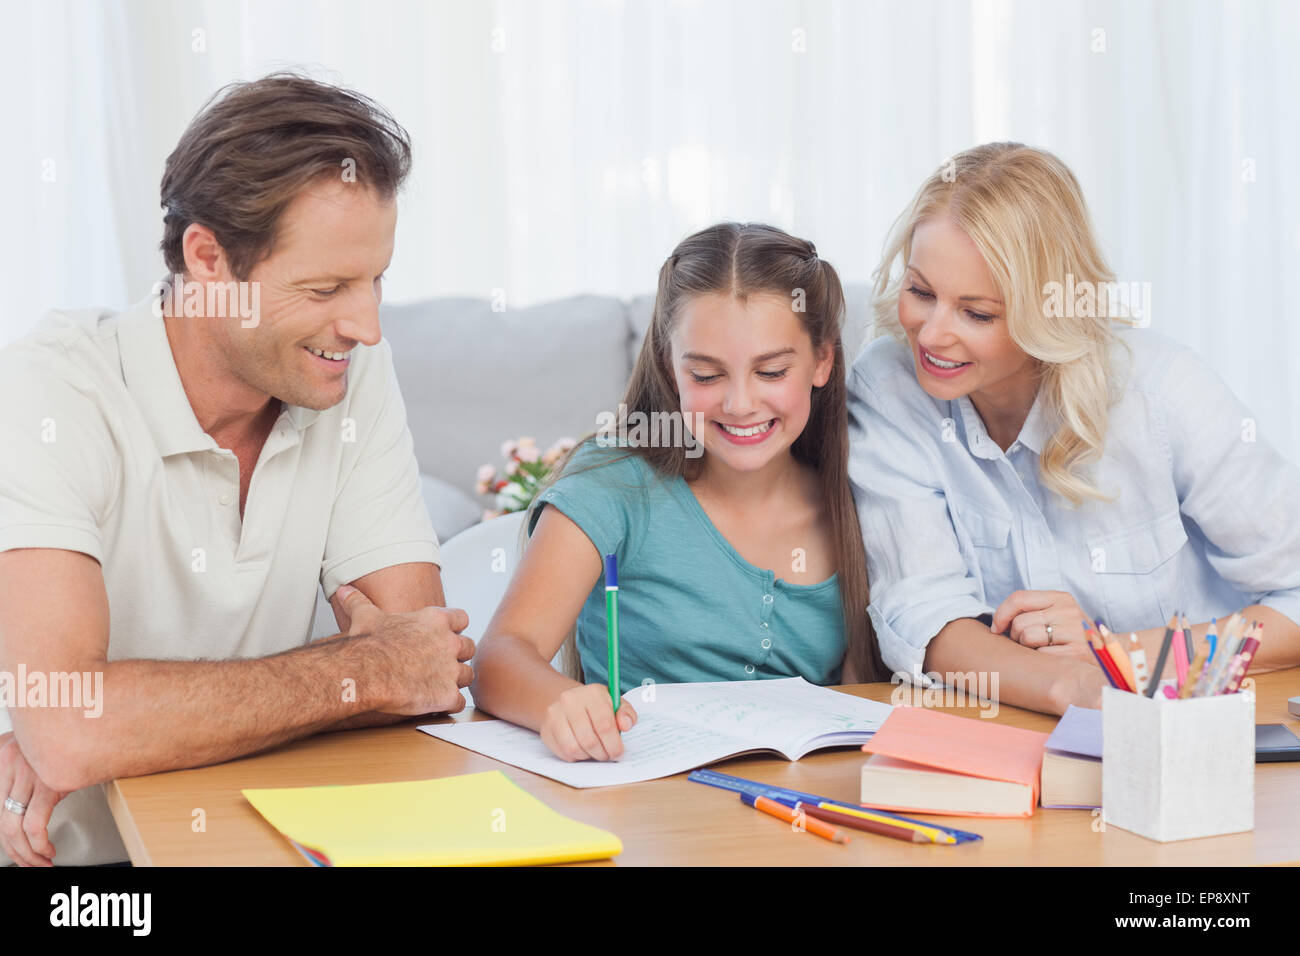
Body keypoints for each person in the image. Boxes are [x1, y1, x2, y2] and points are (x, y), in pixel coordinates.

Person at [0, 74, 475, 866]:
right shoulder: (48, 393)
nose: (365, 325)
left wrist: (115, 726)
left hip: (265, 844)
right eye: (326, 288)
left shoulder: (351, 370)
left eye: (376, 280)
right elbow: (74, 727)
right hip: (76, 868)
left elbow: (422, 675)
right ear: (208, 258)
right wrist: (361, 669)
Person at [848, 142, 1300, 715]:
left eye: (977, 313)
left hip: (1202, 731)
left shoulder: (1162, 393)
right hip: (1021, 738)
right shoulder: (890, 386)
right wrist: (1068, 687)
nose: (931, 335)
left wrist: (1117, 657)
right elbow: (925, 616)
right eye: (921, 292)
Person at [471, 222, 884, 761]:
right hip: (645, 809)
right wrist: (558, 702)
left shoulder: (856, 496)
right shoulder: (612, 485)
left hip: (793, 814)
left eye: (772, 371)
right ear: (670, 366)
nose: (739, 404)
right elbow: (500, 658)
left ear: (823, 361)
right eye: (707, 376)